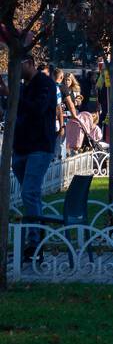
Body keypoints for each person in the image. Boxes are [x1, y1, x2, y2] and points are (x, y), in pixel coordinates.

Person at [12, 56, 58, 258]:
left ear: (30, 62)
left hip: (39, 146)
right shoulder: (22, 86)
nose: (16, 69)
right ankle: (37, 233)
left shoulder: (45, 84)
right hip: (21, 147)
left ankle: (35, 243)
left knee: (29, 193)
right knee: (31, 195)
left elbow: (37, 109)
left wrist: (13, 96)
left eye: (18, 65)